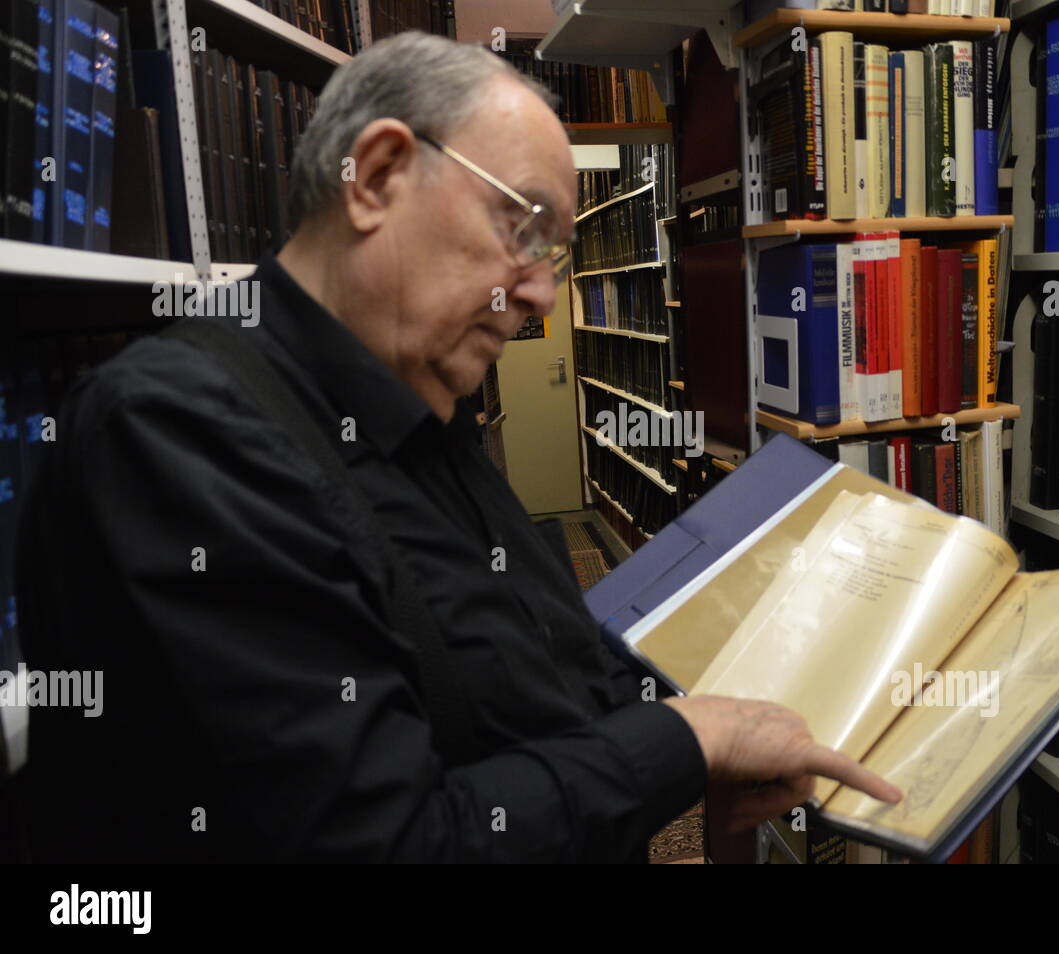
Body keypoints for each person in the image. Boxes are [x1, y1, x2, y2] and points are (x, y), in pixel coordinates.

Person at [15, 32, 900, 862]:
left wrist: (702, 728)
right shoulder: (171, 437)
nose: (546, 295)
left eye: (556, 250)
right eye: (524, 227)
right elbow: (386, 842)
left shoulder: (425, 412)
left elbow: (535, 683)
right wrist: (686, 740)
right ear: (378, 176)